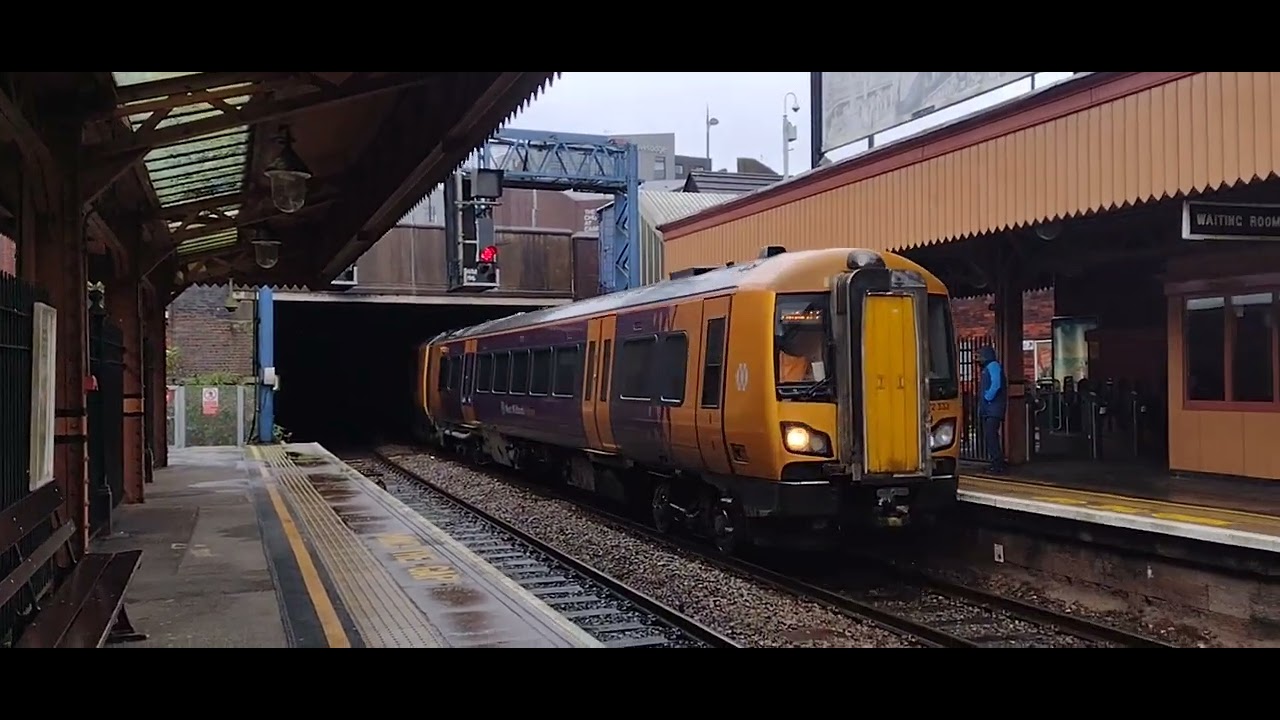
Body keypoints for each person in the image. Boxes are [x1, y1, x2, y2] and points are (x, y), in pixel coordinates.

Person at [978, 346, 1008, 473]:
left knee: (991, 436)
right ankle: (995, 462)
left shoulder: (993, 366)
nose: (978, 359)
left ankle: (997, 464)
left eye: (979, 356)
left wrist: (988, 396)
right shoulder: (988, 368)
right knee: (990, 436)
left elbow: (996, 384)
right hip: (990, 409)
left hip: (993, 409)